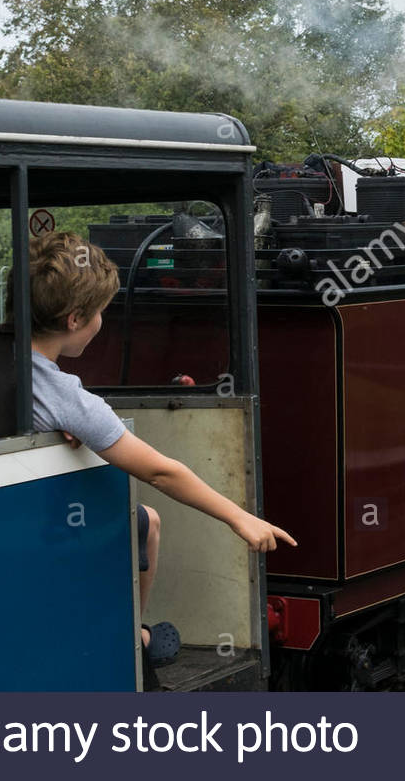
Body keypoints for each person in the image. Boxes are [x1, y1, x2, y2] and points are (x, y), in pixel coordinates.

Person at [28, 230, 296, 682]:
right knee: (145, 520)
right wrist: (239, 517)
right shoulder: (66, 397)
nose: (102, 324)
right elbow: (160, 471)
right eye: (100, 314)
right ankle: (131, 638)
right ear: (75, 319)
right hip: (35, 528)